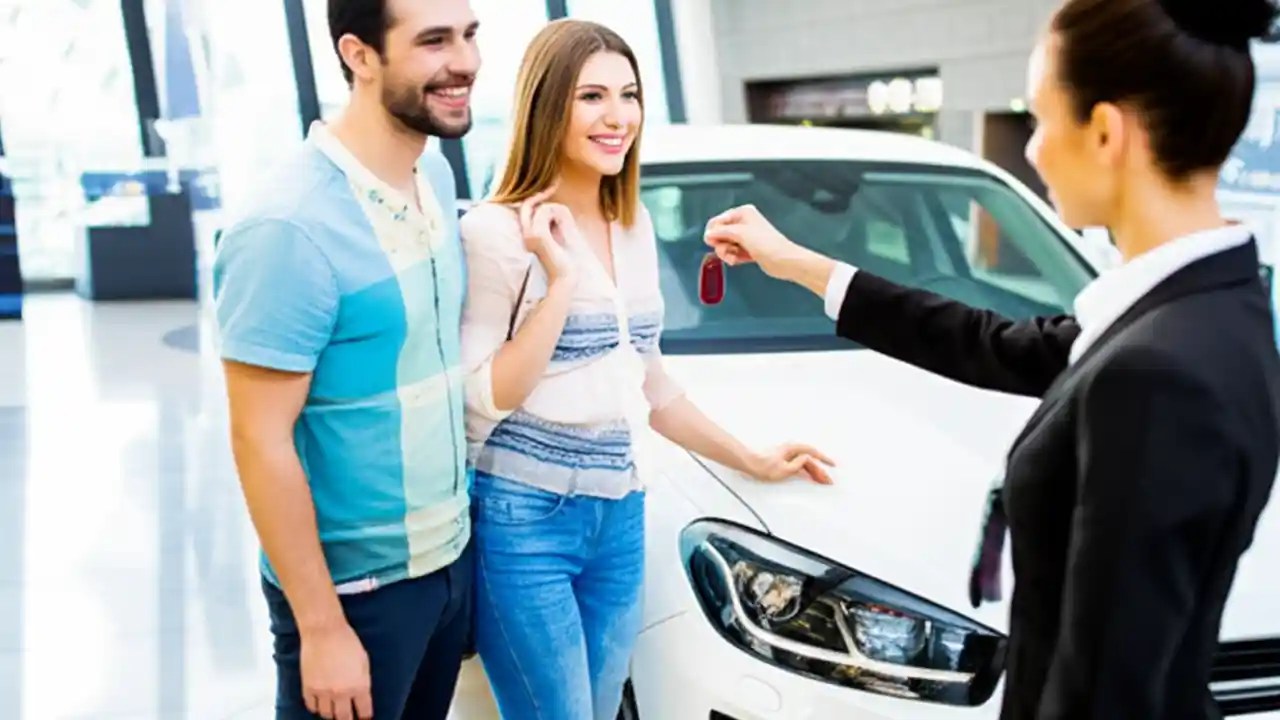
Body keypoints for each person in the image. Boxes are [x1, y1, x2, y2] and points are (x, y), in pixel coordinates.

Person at [704, 0, 1280, 718]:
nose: (1031, 150)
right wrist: (800, 265)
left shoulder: (1158, 373)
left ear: (1105, 132)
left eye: (1039, 118)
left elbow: (1104, 693)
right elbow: (990, 342)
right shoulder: (1211, 310)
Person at [458, 19, 834, 720]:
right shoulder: (494, 231)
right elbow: (482, 397)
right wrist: (560, 280)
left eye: (628, 95)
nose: (617, 117)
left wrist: (751, 458)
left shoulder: (632, 224)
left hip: (621, 513)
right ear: (546, 106)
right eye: (591, 96)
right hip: (524, 518)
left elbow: (652, 386)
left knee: (602, 711)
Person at [211, 0, 480, 718]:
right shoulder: (288, 226)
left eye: (469, 35)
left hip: (445, 565)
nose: (465, 62)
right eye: (433, 41)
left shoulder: (433, 179)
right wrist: (322, 628)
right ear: (359, 55)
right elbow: (259, 439)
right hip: (353, 597)